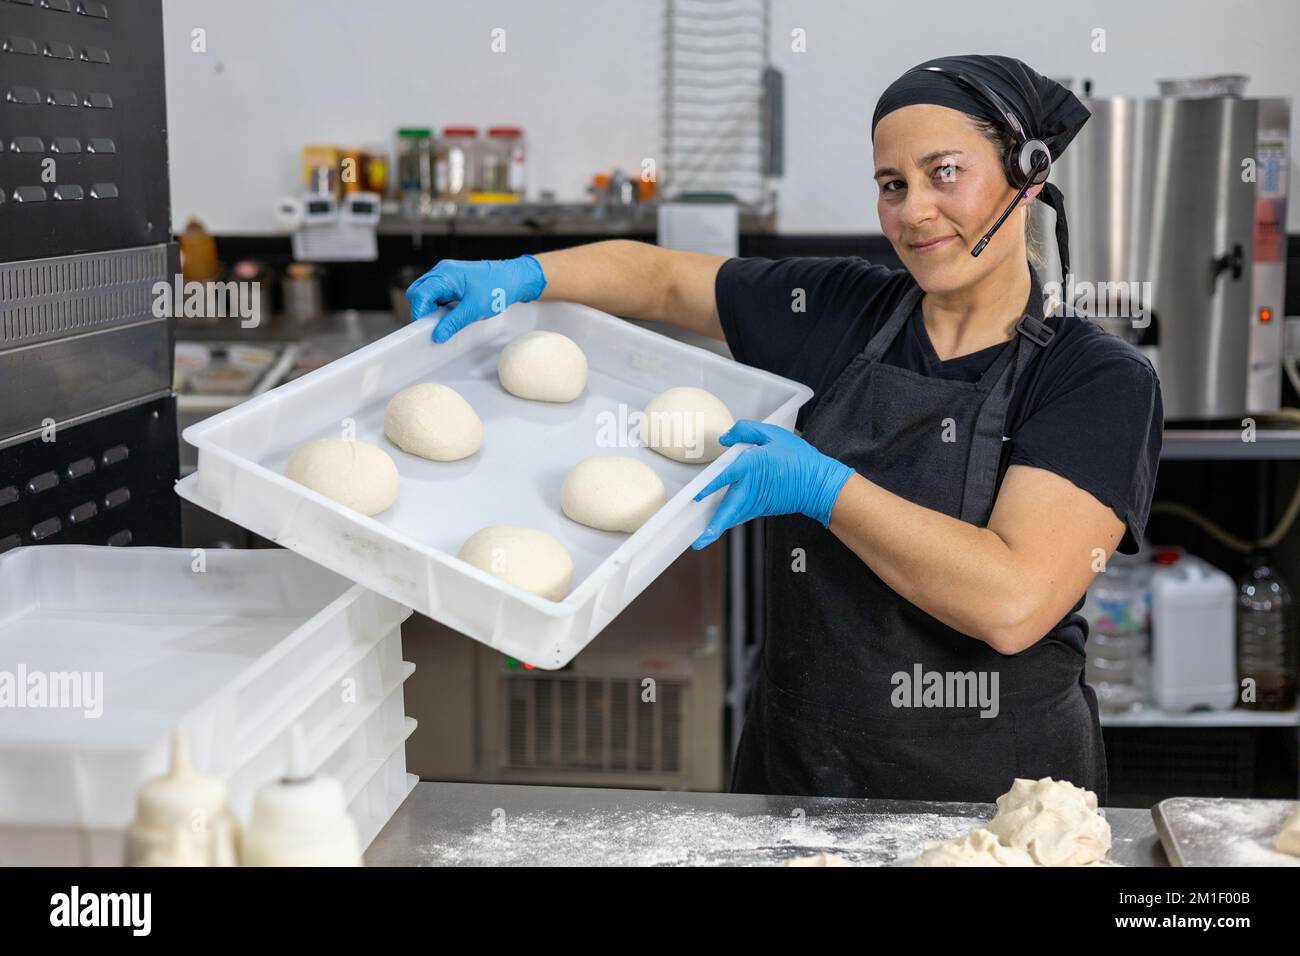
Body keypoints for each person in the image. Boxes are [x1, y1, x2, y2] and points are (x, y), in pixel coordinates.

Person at [404, 54, 1162, 805]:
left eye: (944, 174)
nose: (914, 211)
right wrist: (521, 274)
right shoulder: (835, 308)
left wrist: (823, 488)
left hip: (994, 799)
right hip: (800, 775)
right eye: (892, 186)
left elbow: (1012, 603)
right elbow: (663, 279)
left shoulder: (1095, 379)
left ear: (1027, 178)